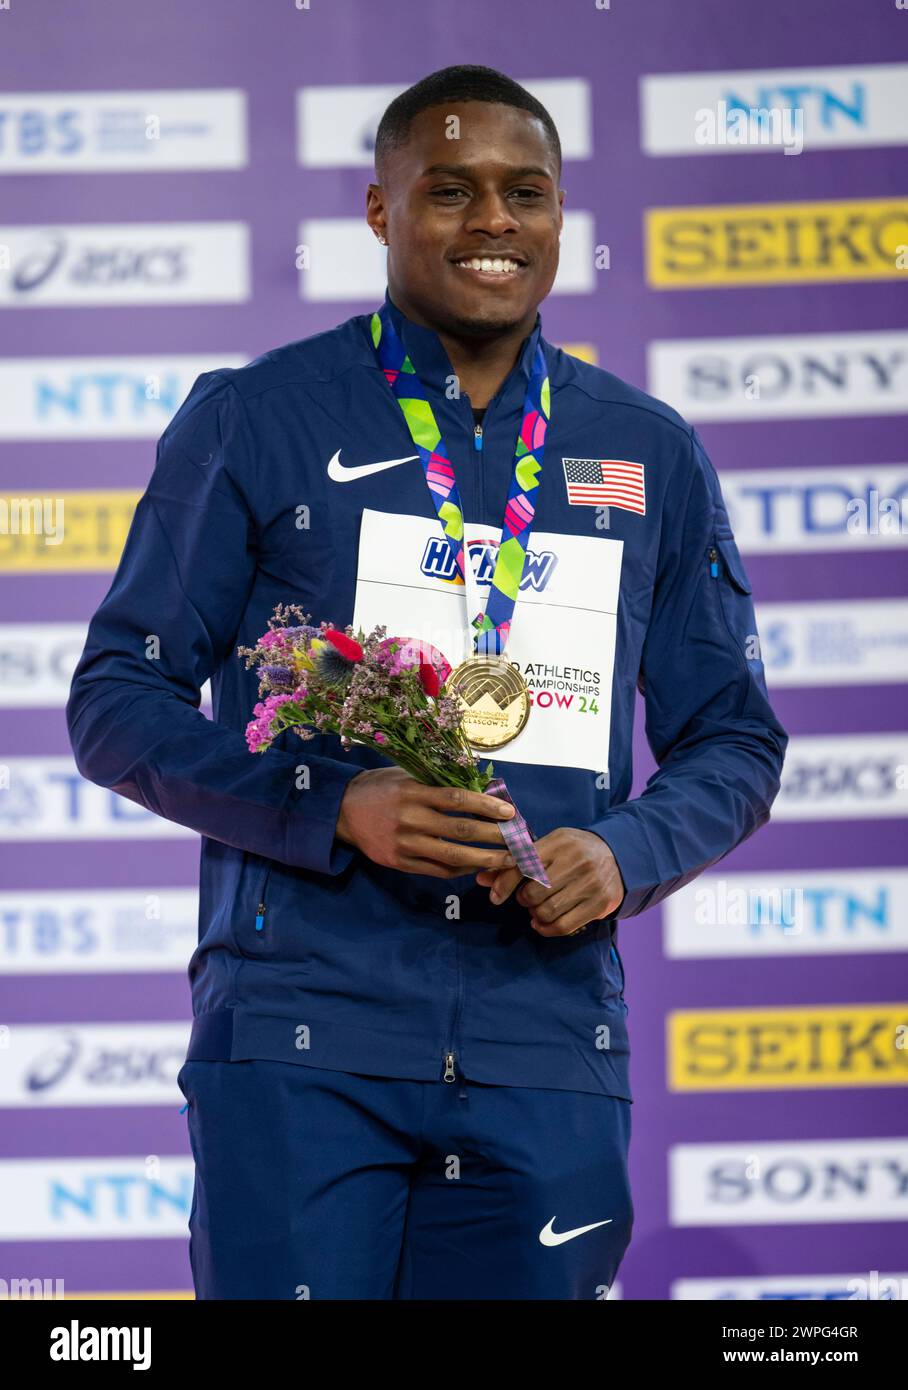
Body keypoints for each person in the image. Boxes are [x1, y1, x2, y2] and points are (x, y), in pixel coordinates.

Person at [66, 65, 788, 1301]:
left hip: (543, 1037)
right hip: (305, 1035)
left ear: (562, 218)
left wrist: (623, 852)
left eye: (526, 193)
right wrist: (326, 804)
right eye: (448, 192)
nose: (491, 223)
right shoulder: (256, 418)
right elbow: (115, 699)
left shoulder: (648, 450)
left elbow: (732, 737)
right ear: (377, 211)